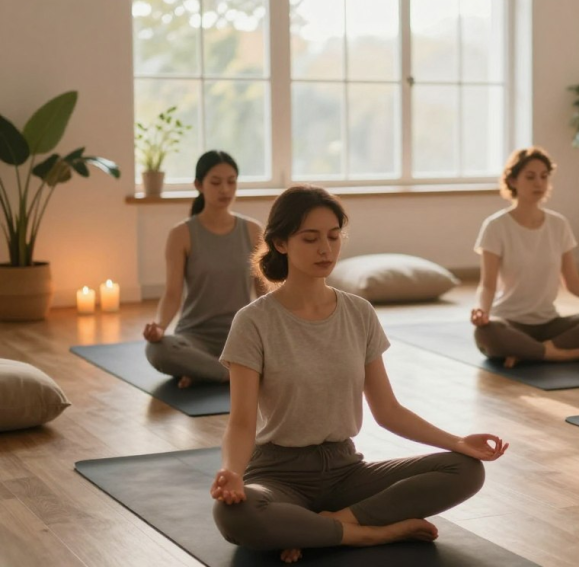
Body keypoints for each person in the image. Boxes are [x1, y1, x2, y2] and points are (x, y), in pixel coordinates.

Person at [211, 185, 508, 563]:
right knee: (234, 513)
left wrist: (458, 441)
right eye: (311, 238)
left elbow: (388, 411)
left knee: (466, 470)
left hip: (345, 472)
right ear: (281, 243)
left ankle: (333, 525)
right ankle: (369, 534)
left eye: (334, 237)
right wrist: (232, 473)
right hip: (277, 474)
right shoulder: (253, 321)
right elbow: (241, 422)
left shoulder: (359, 313)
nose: (326, 249)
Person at [471, 147, 579, 368]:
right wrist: (482, 313)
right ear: (513, 181)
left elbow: (573, 283)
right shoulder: (495, 226)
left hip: (549, 324)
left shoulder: (558, 224)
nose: (538, 183)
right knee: (487, 333)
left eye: (544, 176)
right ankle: (562, 354)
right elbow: (487, 285)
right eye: (530, 177)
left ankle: (535, 351)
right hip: (510, 324)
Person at [142, 151, 263, 388]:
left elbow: (264, 292)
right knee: (157, 351)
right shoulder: (181, 234)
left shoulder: (252, 230)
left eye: (231, 182)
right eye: (216, 182)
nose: (225, 190)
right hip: (194, 338)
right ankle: (228, 373)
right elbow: (172, 294)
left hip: (241, 336)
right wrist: (159, 327)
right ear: (199, 185)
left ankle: (202, 371)